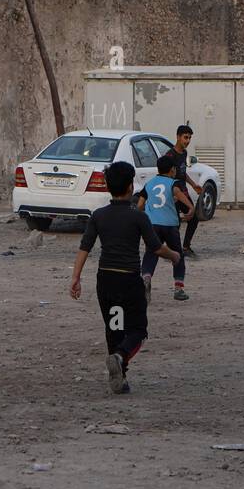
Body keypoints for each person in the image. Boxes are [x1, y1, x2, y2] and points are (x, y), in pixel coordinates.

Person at [69, 160, 180, 395]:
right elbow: (157, 247)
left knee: (114, 328)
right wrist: (174, 256)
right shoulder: (138, 217)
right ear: (130, 186)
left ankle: (120, 376)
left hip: (106, 280)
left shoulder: (98, 216)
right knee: (138, 330)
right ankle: (120, 358)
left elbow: (85, 248)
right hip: (129, 281)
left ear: (109, 186)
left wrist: (76, 278)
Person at [137, 154, 195, 303]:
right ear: (172, 170)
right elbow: (178, 195)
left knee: (151, 253)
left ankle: (146, 277)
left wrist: (143, 216)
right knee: (177, 254)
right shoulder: (173, 183)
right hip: (170, 225)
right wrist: (190, 208)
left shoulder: (149, 184)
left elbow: (140, 205)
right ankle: (179, 288)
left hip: (153, 226)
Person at [162, 124, 208, 254]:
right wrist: (173, 194)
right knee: (174, 223)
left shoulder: (184, 153)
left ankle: (186, 246)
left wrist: (193, 184)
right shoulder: (170, 156)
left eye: (189, 138)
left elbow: (183, 173)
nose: (187, 141)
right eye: (185, 137)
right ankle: (172, 250)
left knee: (193, 218)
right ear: (178, 137)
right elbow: (166, 176)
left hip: (184, 192)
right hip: (174, 194)